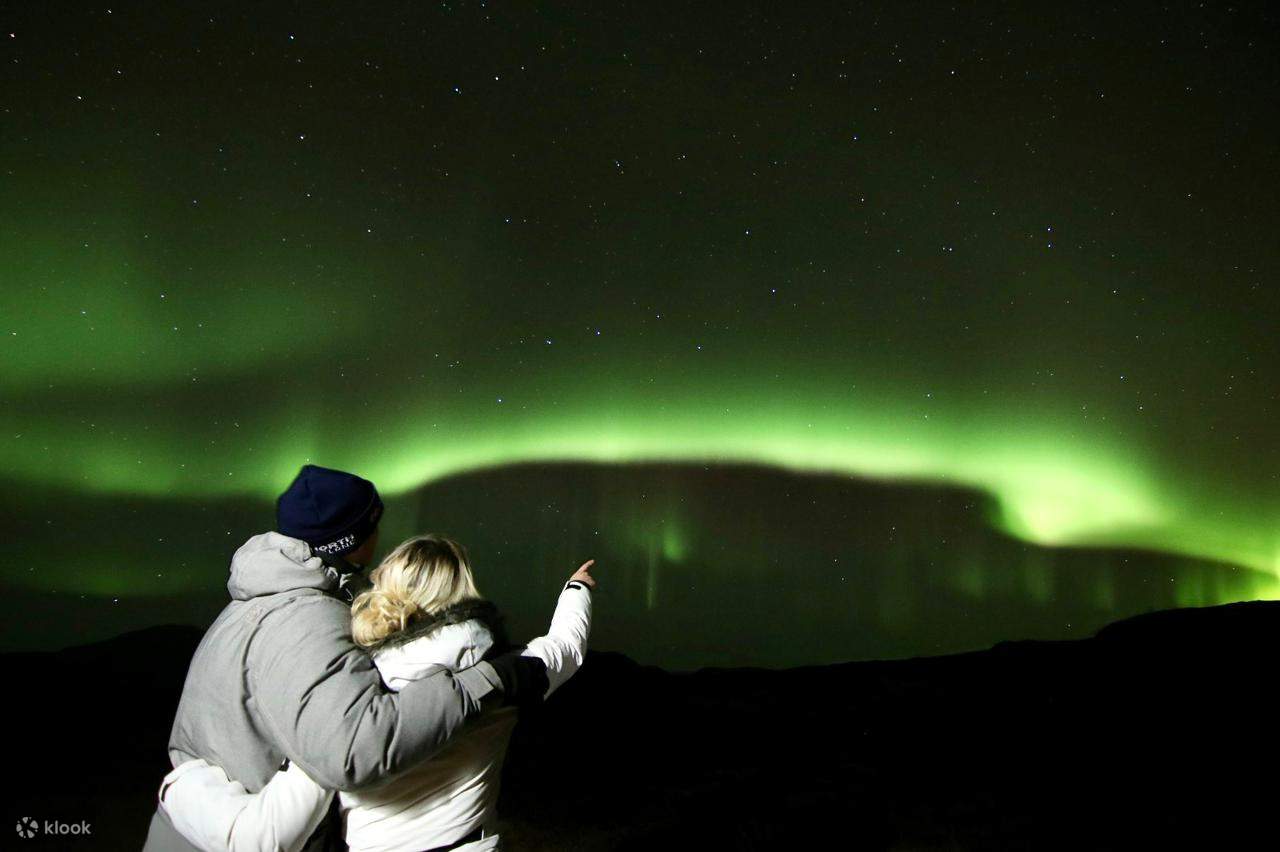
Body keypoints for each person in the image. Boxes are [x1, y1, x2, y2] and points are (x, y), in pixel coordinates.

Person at [143, 465, 551, 852]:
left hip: (191, 829)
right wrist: (488, 680)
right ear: (354, 539)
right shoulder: (307, 620)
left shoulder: (250, 606)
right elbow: (355, 750)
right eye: (374, 525)